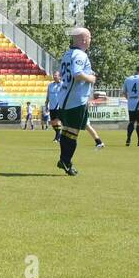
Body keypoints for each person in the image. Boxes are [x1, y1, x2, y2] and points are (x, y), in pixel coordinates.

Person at [50, 27, 96, 173]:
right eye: (89, 38)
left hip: (65, 98)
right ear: (83, 39)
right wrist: (91, 78)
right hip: (75, 99)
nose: (90, 40)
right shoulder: (80, 55)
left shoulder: (67, 54)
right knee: (73, 132)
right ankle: (66, 161)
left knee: (66, 132)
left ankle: (63, 160)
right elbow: (77, 74)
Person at [46, 73, 61, 139]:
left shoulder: (63, 84)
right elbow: (48, 95)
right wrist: (46, 103)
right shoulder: (50, 85)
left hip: (59, 106)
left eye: (56, 75)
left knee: (57, 121)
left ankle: (57, 137)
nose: (54, 76)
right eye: (54, 75)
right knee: (53, 123)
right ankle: (59, 135)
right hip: (52, 106)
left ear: (59, 76)